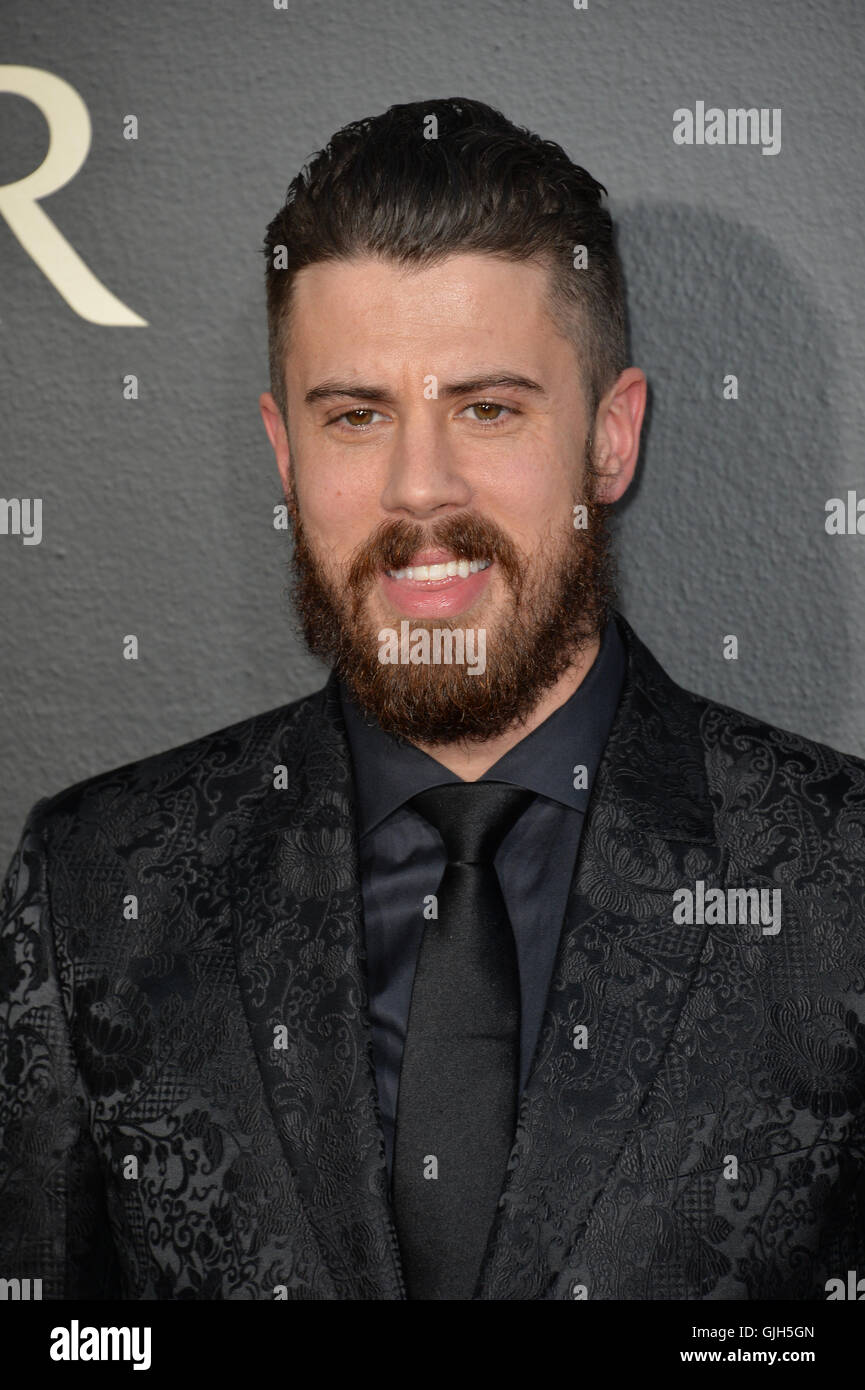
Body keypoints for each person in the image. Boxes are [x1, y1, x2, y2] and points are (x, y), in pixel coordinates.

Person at [1, 97, 863, 1302]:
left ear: (610, 440)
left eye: (487, 408)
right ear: (286, 453)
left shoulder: (841, 880)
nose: (420, 488)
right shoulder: (96, 879)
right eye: (356, 416)